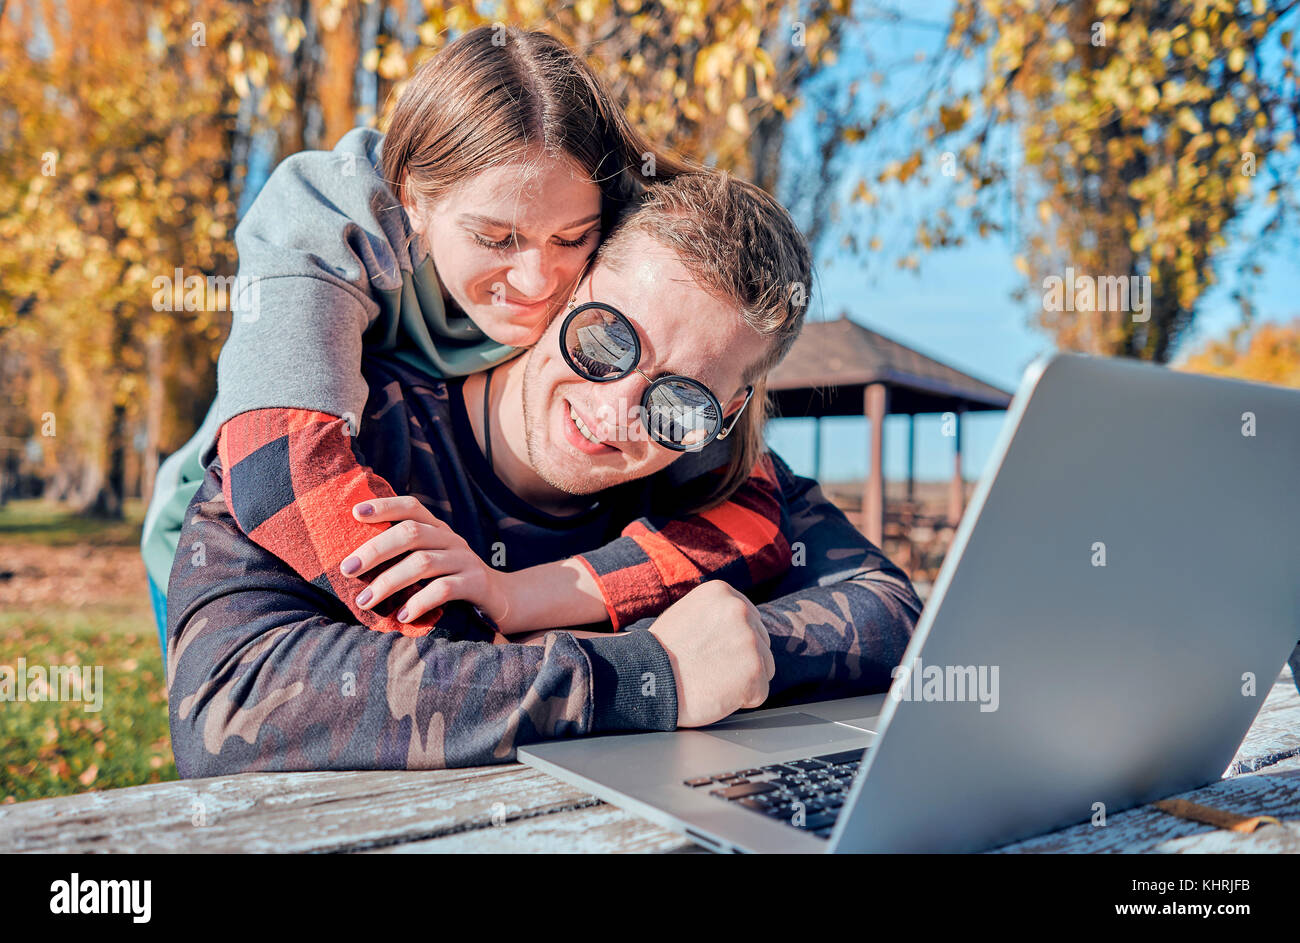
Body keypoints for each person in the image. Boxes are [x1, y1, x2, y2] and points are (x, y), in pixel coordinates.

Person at [165, 171, 924, 775]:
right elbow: (228, 700)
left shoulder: (712, 479)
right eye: (609, 336)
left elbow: (893, 615)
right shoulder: (341, 428)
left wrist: (741, 644)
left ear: (725, 415)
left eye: (681, 398)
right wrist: (644, 674)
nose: (619, 408)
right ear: (563, 284)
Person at [142, 26, 789, 656]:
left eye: (571, 238)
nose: (540, 280)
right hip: (230, 534)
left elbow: (746, 513)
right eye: (495, 238)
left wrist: (529, 596)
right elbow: (282, 470)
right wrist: (501, 659)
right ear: (412, 201)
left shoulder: (627, 256)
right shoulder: (324, 220)